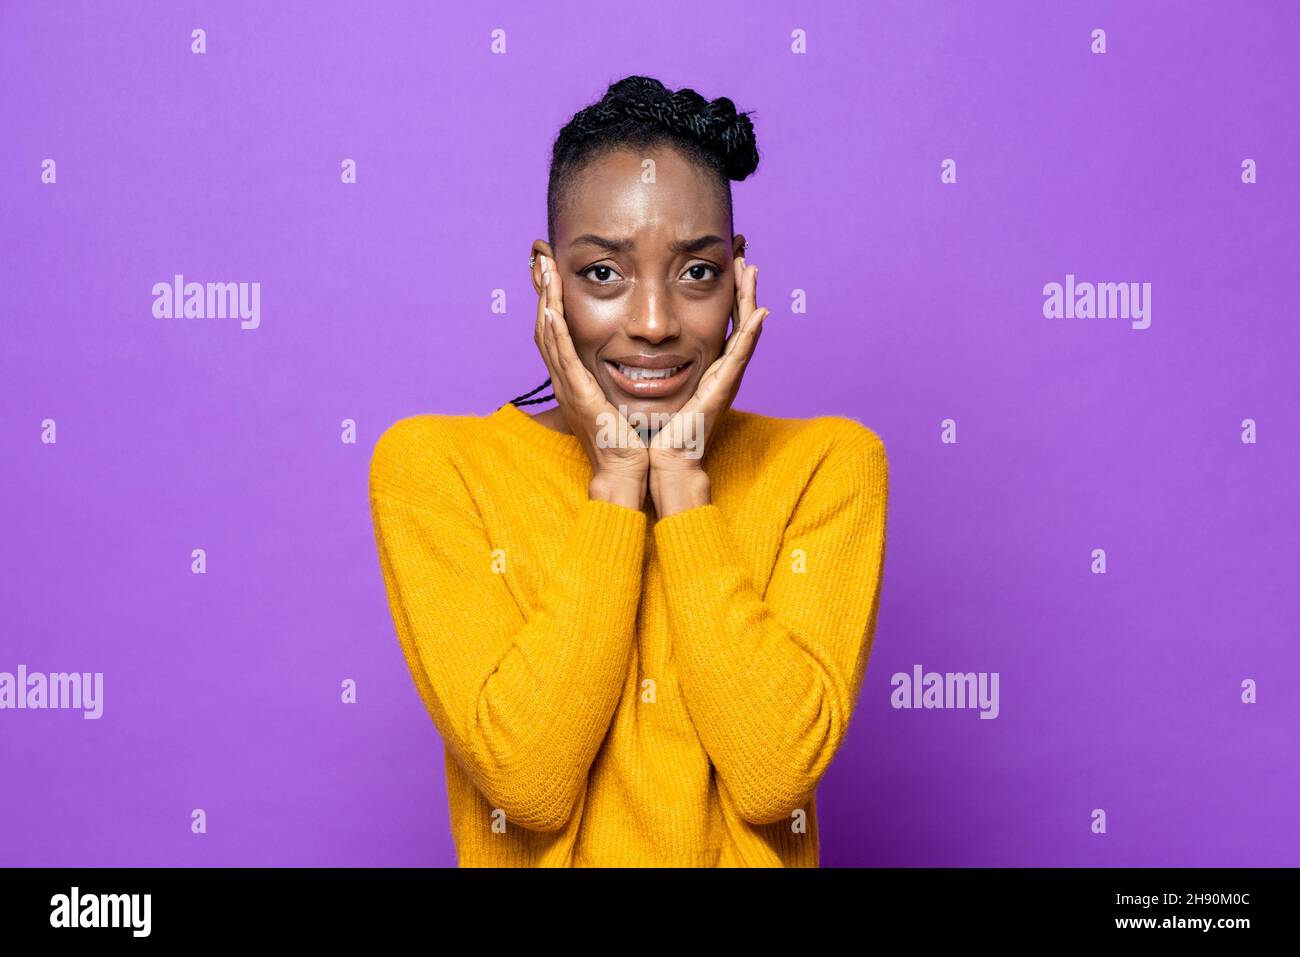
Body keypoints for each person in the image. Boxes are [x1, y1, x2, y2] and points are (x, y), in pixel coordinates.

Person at [368, 75, 889, 867]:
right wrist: (616, 480)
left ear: (740, 278)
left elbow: (771, 776)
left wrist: (679, 481)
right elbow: (531, 780)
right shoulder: (435, 468)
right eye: (604, 274)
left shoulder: (829, 465)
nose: (653, 324)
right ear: (547, 279)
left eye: (696, 273)